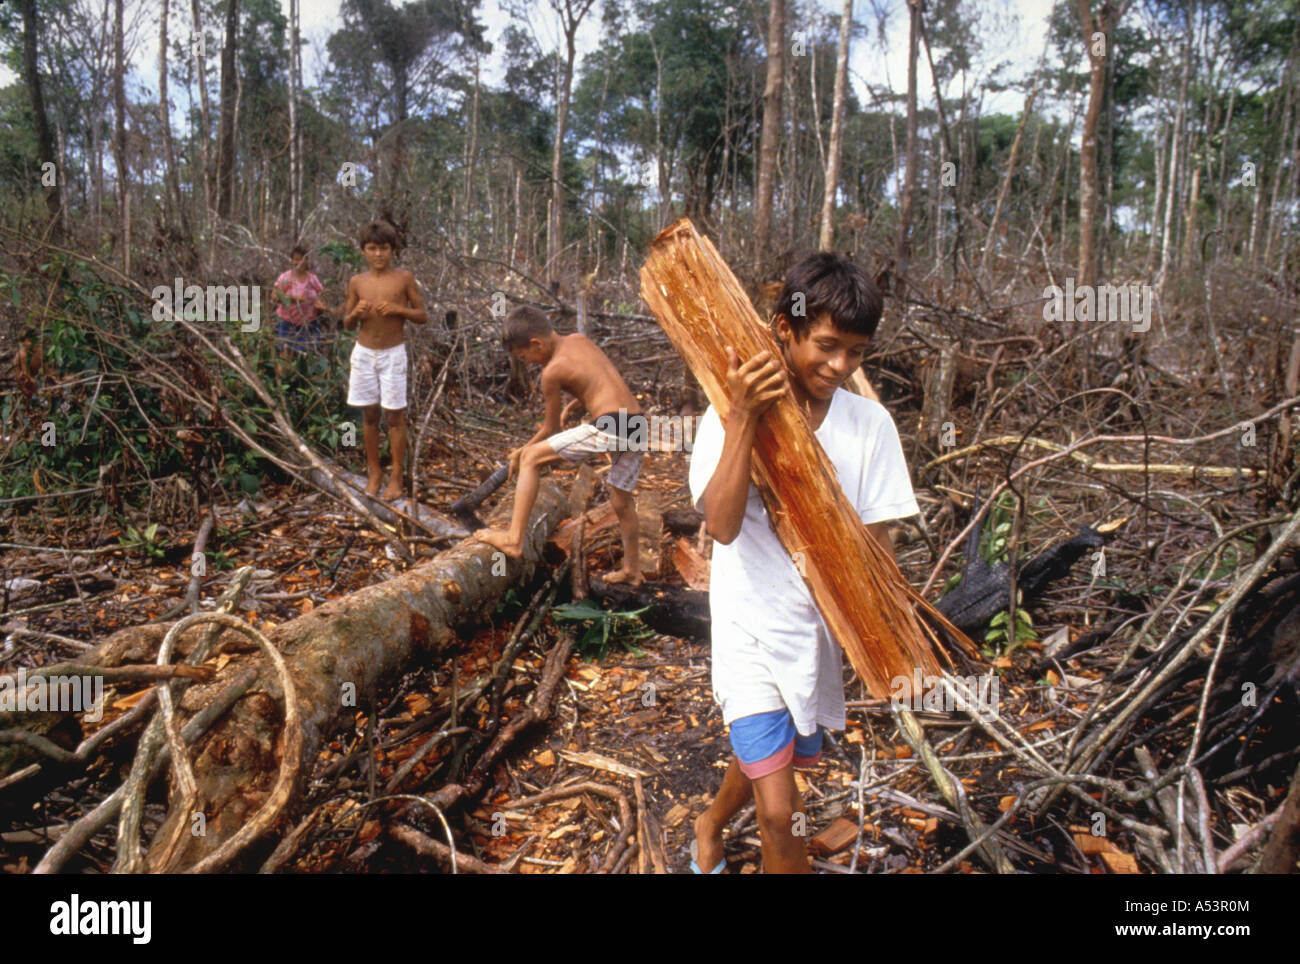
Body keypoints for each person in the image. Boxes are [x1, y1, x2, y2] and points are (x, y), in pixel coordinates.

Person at [687, 252, 919, 874]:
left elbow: (877, 543)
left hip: (816, 632)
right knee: (780, 810)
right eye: (826, 345)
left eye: (857, 352)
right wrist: (742, 418)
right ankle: (730, 838)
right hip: (747, 624)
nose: (840, 366)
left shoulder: (869, 425)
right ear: (784, 329)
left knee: (777, 754)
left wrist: (889, 640)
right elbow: (722, 526)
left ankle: (709, 822)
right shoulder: (728, 408)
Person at [474, 306, 645, 585]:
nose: (529, 362)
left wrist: (522, 450)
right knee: (621, 500)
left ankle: (513, 539)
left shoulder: (551, 372)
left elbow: (551, 428)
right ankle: (632, 570)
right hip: (637, 423)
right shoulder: (579, 339)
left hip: (613, 425)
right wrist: (581, 402)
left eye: (525, 356)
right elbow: (600, 378)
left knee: (531, 458)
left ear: (535, 343)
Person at [342, 220, 428, 500]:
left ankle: (396, 477)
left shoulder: (403, 278)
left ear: (392, 250)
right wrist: (356, 313)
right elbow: (345, 322)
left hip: (393, 354)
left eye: (384, 248)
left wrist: (397, 309)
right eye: (372, 248)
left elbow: (422, 315)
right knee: (369, 414)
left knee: (394, 416)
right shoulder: (357, 281)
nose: (378, 254)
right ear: (363, 251)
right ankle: (374, 471)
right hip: (364, 353)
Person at [272, 245, 328, 358]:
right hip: (287, 322)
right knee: (285, 353)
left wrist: (321, 306)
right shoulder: (286, 277)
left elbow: (322, 295)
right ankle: (284, 374)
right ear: (292, 260)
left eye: (303, 259)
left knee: (307, 355)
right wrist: (293, 298)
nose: (299, 262)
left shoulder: (312, 279)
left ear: (307, 261)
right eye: (296, 259)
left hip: (308, 324)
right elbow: (274, 296)